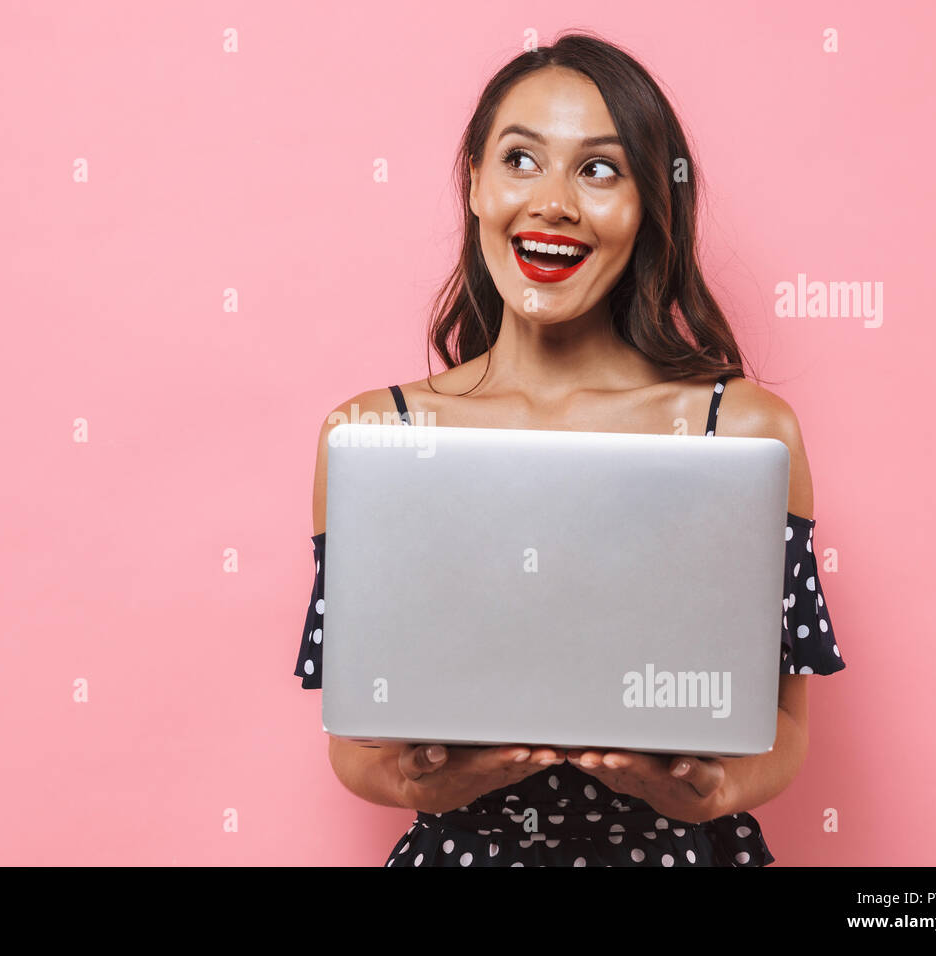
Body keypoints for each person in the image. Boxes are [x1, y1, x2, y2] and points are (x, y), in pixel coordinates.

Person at [293, 31, 846, 867]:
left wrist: (716, 791)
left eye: (599, 169)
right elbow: (353, 745)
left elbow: (786, 727)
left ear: (650, 204)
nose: (553, 202)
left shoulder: (741, 431)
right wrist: (418, 784)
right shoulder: (375, 435)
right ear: (475, 182)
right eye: (522, 160)